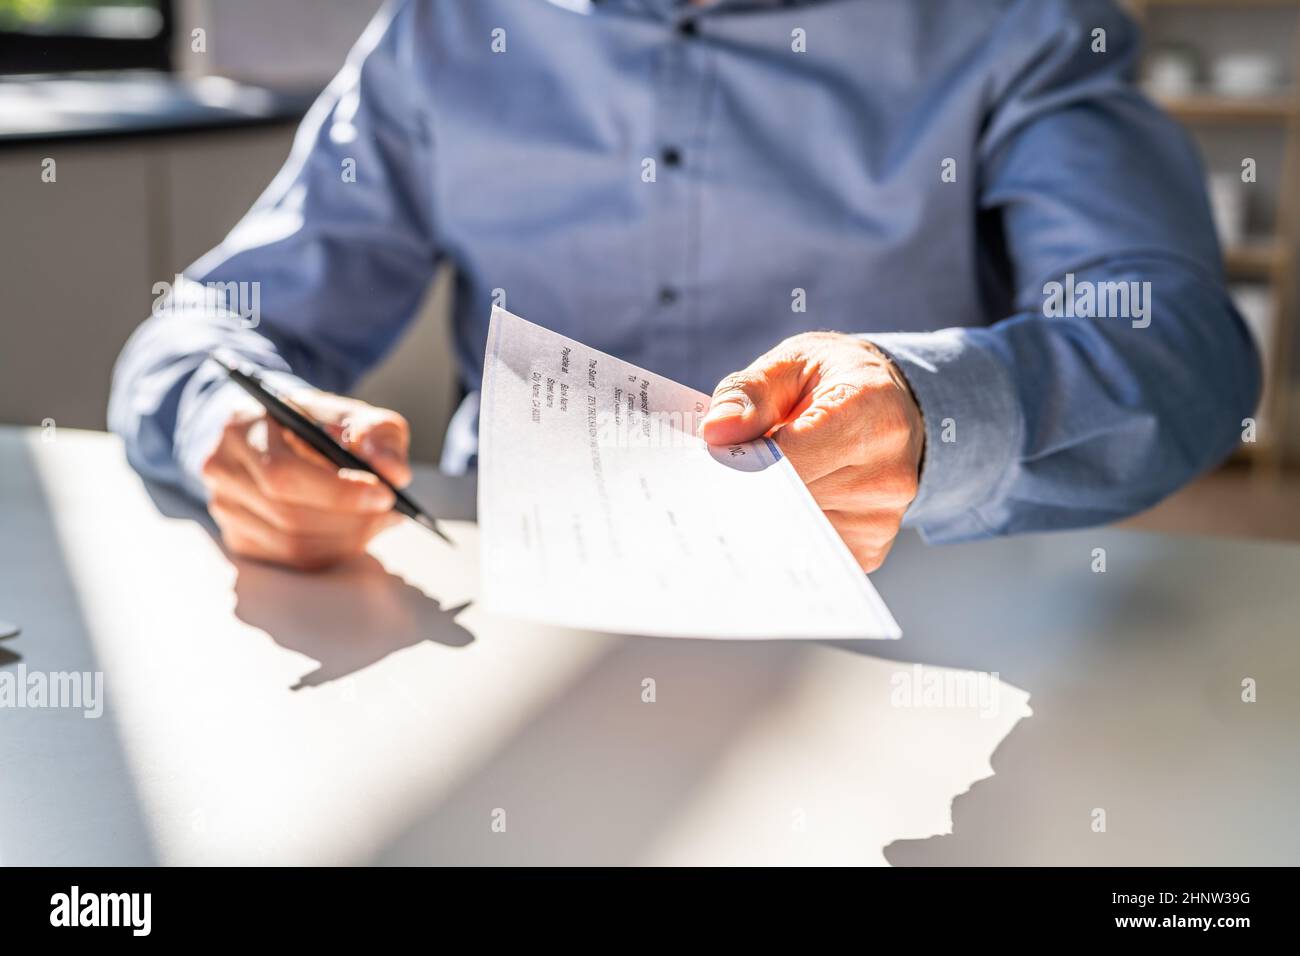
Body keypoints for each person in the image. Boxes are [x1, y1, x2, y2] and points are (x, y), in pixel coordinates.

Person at [109, 0, 1259, 573]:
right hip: (504, 603)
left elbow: (1178, 341)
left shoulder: (1010, 27)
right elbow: (216, 320)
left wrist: (932, 406)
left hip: (911, 616)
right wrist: (227, 419)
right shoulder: (445, 33)